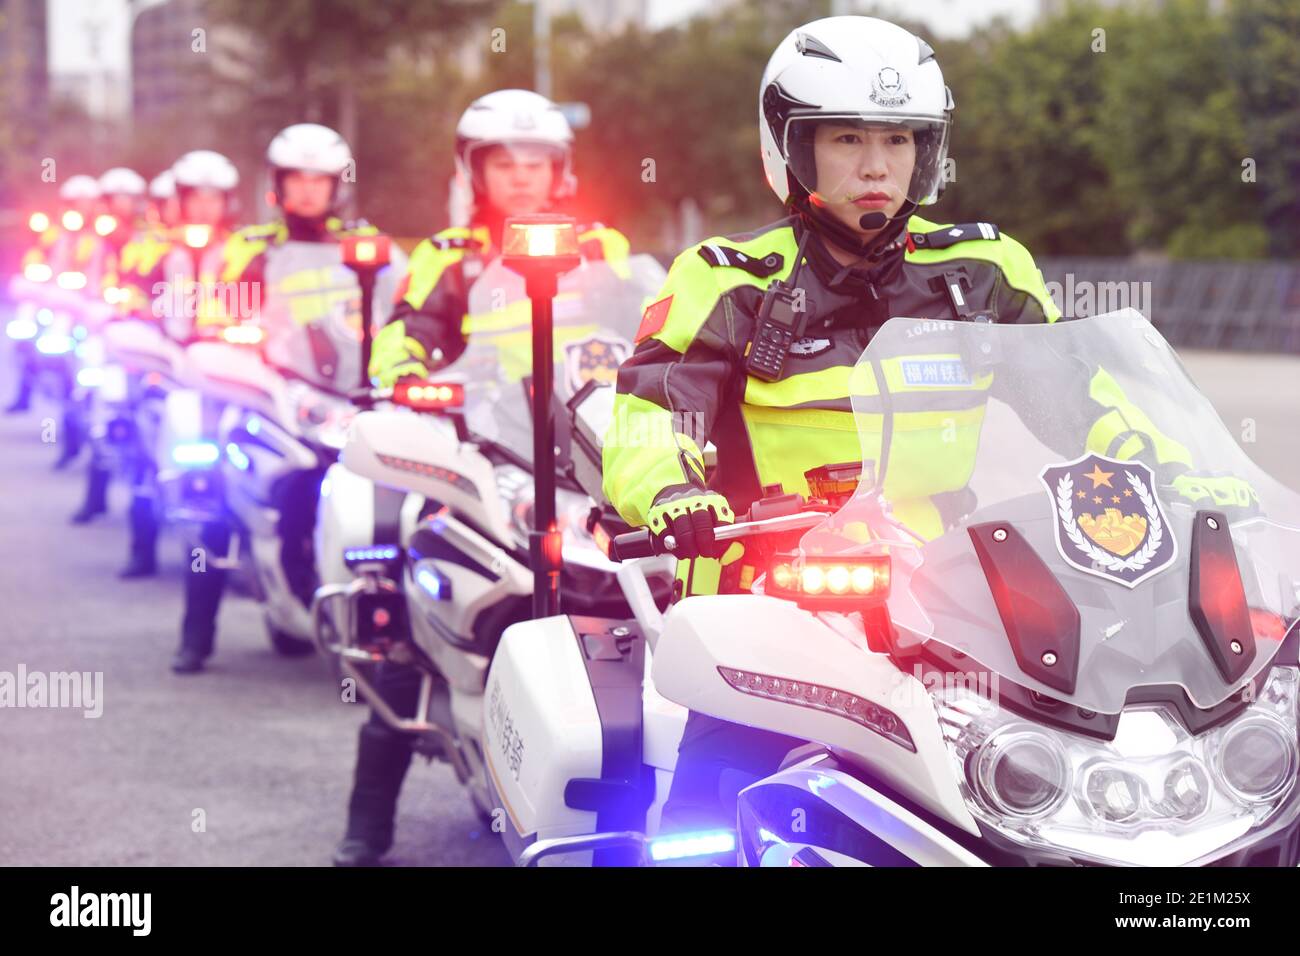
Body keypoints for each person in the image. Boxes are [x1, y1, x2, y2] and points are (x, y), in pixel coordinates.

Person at [600, 15, 1220, 848]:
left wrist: (1175, 470)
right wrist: (672, 492)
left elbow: (1091, 396)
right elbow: (650, 412)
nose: (874, 165)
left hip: (952, 598)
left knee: (1043, 788)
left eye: (898, 139)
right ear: (791, 147)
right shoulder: (728, 281)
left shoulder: (981, 271)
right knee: (708, 823)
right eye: (847, 137)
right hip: (772, 595)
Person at [336, 89, 631, 867]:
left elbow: (647, 330)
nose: (524, 178)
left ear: (560, 171)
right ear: (476, 169)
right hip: (486, 450)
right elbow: (404, 339)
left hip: (589, 455)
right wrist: (405, 379)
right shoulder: (449, 256)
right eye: (507, 163)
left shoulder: (602, 244)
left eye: (538, 163)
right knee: (405, 581)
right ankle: (367, 824)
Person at [172, 125, 379, 674]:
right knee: (216, 498)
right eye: (297, 180)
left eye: (320, 181)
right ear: (277, 184)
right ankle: (196, 636)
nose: (309, 191)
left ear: (338, 186)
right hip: (266, 394)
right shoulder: (253, 249)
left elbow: (393, 313)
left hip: (346, 399)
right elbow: (217, 318)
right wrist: (239, 348)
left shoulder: (363, 246)